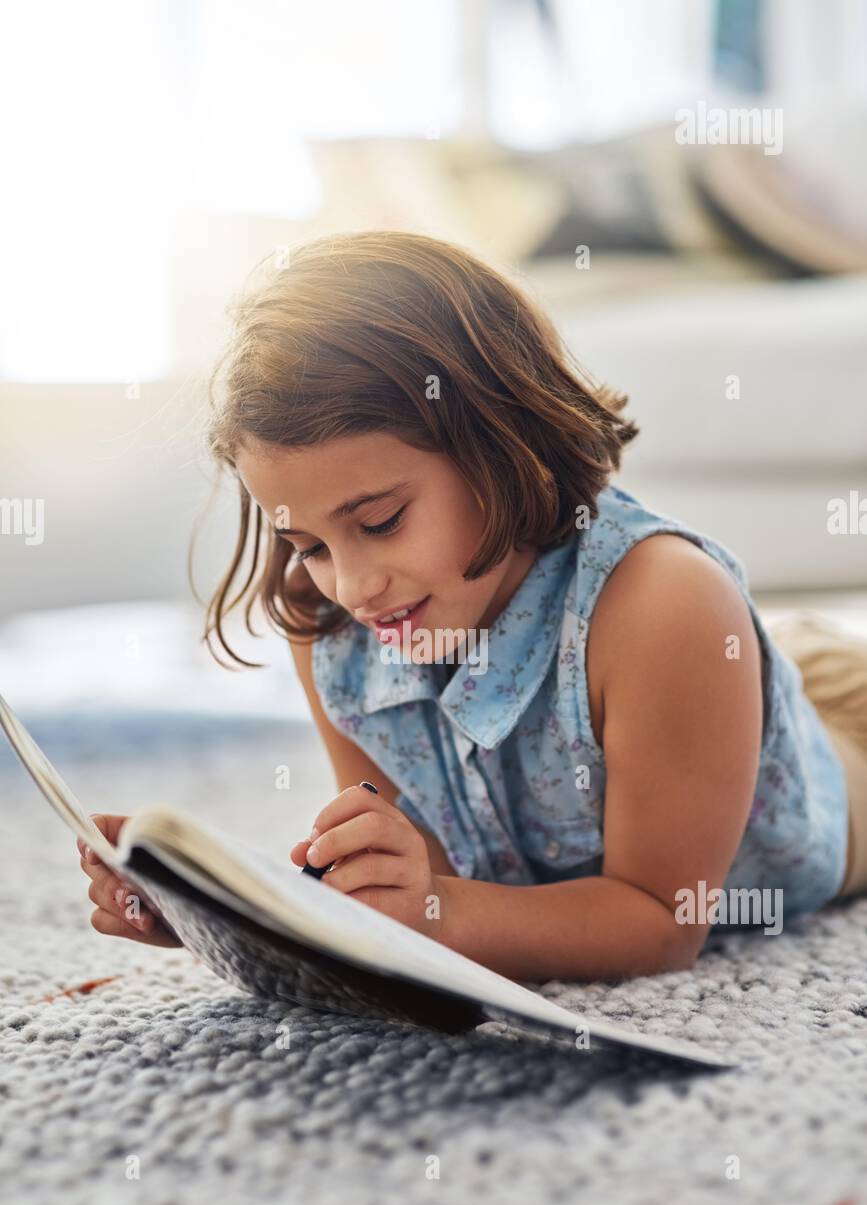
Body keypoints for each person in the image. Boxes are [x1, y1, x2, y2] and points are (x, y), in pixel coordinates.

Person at [78, 230, 867, 981]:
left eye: (380, 521)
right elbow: (420, 885)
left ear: (502, 445)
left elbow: (658, 920)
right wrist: (224, 914)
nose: (353, 587)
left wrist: (432, 908)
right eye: (310, 545)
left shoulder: (665, 607)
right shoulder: (329, 625)